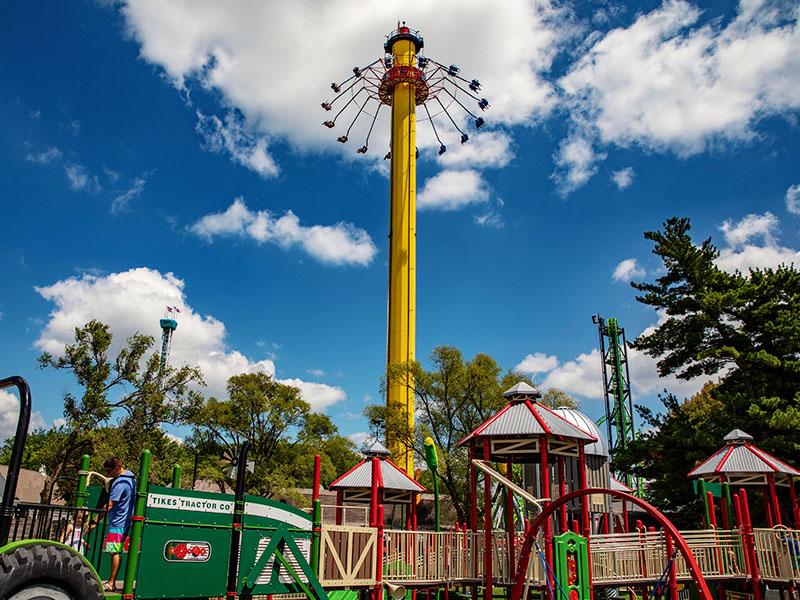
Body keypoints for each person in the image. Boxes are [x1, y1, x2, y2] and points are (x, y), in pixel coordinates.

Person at [101, 457, 136, 592]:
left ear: (116, 468)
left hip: (118, 522)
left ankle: (111, 582)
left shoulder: (120, 483)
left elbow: (110, 504)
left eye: (109, 471)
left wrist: (94, 520)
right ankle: (111, 581)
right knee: (115, 551)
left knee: (114, 551)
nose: (108, 474)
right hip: (124, 521)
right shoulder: (131, 477)